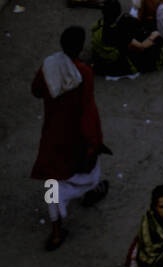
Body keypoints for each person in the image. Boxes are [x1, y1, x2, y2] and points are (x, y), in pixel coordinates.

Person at [30, 25, 108, 251]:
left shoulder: (49, 66)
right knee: (87, 167)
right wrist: (94, 138)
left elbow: (36, 91)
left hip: (54, 133)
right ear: (80, 46)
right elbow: (87, 108)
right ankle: (91, 190)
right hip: (78, 134)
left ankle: (56, 232)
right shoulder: (84, 73)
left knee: (53, 180)